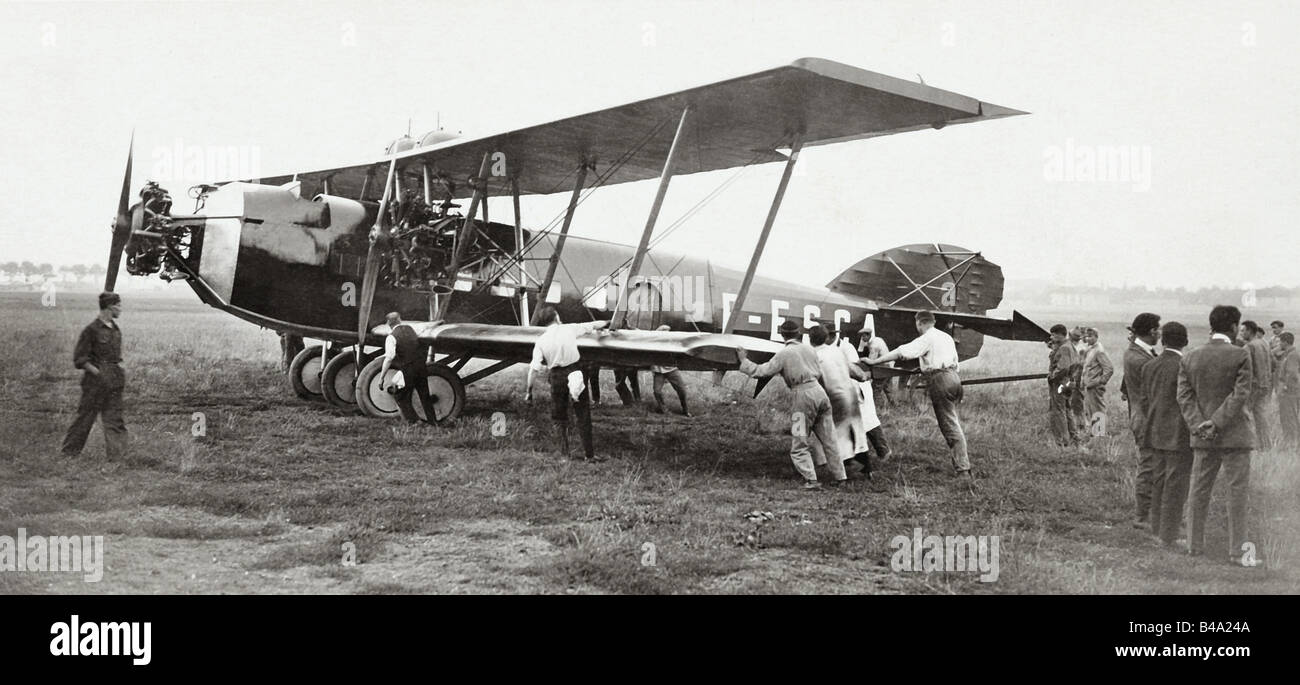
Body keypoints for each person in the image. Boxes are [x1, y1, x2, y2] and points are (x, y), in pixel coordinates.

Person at [1176, 305, 1258, 566]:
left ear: (1212, 326)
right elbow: (1241, 394)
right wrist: (1217, 422)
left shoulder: (1189, 357)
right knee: (1238, 495)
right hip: (1235, 436)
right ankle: (1238, 553)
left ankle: (1193, 546)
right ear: (1234, 327)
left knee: (1198, 491)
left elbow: (1184, 396)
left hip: (1202, 437)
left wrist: (1201, 424)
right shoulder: (1241, 354)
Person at [865, 310, 973, 488]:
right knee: (952, 421)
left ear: (919, 323)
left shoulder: (927, 337)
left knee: (949, 424)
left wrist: (874, 362)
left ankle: (963, 469)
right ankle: (962, 464)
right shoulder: (945, 337)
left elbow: (902, 352)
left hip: (941, 379)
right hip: (954, 378)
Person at [735, 320, 845, 489]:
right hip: (820, 393)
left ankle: (811, 480)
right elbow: (820, 373)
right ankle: (840, 477)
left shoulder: (784, 353)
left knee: (799, 441)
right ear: (799, 334)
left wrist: (744, 361)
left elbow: (761, 371)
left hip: (802, 396)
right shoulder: (810, 349)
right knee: (829, 439)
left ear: (782, 334)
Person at [524, 306, 609, 462]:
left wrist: (529, 392)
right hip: (575, 372)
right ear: (557, 317)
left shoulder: (541, 341)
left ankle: (564, 456)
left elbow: (534, 369)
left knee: (559, 416)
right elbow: (593, 325)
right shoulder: (569, 329)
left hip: (556, 376)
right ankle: (589, 455)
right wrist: (607, 322)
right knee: (583, 413)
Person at [1141, 322, 1193, 548]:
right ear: (1186, 341)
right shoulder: (1185, 365)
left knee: (1158, 480)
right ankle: (1169, 535)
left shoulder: (1149, 366)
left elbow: (1144, 401)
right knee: (1176, 484)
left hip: (1154, 431)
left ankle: (1157, 528)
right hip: (1179, 433)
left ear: (1163, 340)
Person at [61, 292, 129, 459]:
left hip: (114, 382)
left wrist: (118, 370)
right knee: (85, 419)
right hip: (94, 384)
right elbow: (80, 359)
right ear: (109, 307)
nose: (120, 309)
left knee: (115, 420)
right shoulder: (91, 330)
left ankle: (117, 459)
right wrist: (98, 373)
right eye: (118, 305)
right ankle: (69, 453)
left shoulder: (115, 329)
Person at [808, 324, 869, 478]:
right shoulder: (836, 350)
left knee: (837, 434)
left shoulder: (813, 355)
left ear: (810, 339)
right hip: (850, 393)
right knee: (856, 430)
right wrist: (863, 376)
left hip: (833, 396)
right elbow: (854, 371)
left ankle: (844, 466)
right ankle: (866, 467)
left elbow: (813, 378)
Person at [1121, 312, 1161, 529]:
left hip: (1143, 417)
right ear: (1153, 331)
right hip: (1147, 419)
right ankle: (1142, 516)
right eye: (1158, 329)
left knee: (1150, 466)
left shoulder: (1139, 353)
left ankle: (1147, 514)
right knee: (1148, 467)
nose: (1160, 333)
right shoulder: (1140, 358)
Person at [834, 324, 891, 469]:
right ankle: (852, 457)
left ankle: (883, 451)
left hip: (859, 386)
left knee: (869, 421)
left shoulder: (846, 348)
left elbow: (856, 370)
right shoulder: (831, 349)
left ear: (834, 335)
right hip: (848, 388)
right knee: (854, 422)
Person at [379, 312, 435, 424]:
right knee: (424, 395)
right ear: (400, 319)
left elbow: (389, 358)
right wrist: (438, 322)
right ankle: (433, 422)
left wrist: (381, 377)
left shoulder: (391, 337)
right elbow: (425, 327)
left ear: (388, 323)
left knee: (401, 396)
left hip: (408, 370)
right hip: (421, 367)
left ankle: (414, 421)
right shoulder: (411, 328)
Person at [1047, 324, 1081, 447]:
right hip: (1068, 382)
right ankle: (1074, 438)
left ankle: (1062, 441)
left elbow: (1063, 367)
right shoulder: (1068, 345)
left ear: (1061, 334)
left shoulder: (1064, 348)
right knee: (1067, 409)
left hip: (1061, 383)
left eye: (1053, 334)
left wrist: (1052, 376)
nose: (1051, 337)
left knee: (1058, 410)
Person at [1241, 321, 1273, 450]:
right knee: (1261, 417)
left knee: (1243, 415)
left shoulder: (1249, 347)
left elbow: (1246, 370)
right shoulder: (1264, 343)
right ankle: (1266, 446)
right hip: (1265, 385)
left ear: (1249, 331)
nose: (1241, 333)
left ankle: (1247, 445)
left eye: (1243, 330)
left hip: (1253, 387)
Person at [650, 324, 690, 416]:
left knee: (682, 390)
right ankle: (664, 410)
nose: (667, 335)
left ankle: (685, 410)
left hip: (671, 369)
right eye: (664, 333)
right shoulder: (653, 342)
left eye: (668, 333)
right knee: (657, 391)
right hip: (658, 371)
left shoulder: (672, 343)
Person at [1081, 326, 1114, 435]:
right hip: (1089, 385)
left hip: (1094, 386)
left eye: (1090, 336)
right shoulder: (1090, 349)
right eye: (1086, 336)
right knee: (1090, 409)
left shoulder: (1099, 351)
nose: (1087, 338)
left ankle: (1099, 434)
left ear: (1096, 337)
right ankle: (1094, 432)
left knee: (1098, 409)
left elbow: (1109, 368)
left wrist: (1100, 382)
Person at [858, 326, 894, 407]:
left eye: (863, 336)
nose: (862, 338)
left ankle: (879, 408)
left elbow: (871, 361)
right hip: (889, 366)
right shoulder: (878, 339)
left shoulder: (874, 345)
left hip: (883, 368)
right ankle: (895, 406)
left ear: (868, 335)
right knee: (888, 389)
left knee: (875, 389)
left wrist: (862, 360)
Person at [1275, 332, 1299, 449]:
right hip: (1290, 392)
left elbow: (1292, 373)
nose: (1280, 344)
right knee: (1290, 417)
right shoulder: (1290, 353)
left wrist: (1285, 387)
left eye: (1280, 341)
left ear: (1285, 342)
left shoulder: (1292, 355)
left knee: (1289, 418)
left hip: (1289, 393)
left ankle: (1292, 444)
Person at [1069, 326, 1089, 435]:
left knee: (1078, 402)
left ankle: (1084, 426)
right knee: (1077, 402)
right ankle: (1082, 425)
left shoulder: (1080, 349)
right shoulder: (1080, 347)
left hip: (1079, 378)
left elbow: (1080, 365)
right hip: (1078, 378)